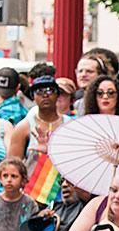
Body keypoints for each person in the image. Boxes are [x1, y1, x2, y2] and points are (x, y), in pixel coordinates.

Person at [8, 75, 71, 207]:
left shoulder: (70, 125)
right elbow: (12, 166)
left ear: (57, 95)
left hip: (65, 194)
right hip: (31, 196)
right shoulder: (23, 127)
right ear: (33, 96)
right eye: (39, 91)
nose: (45, 95)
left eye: (50, 90)